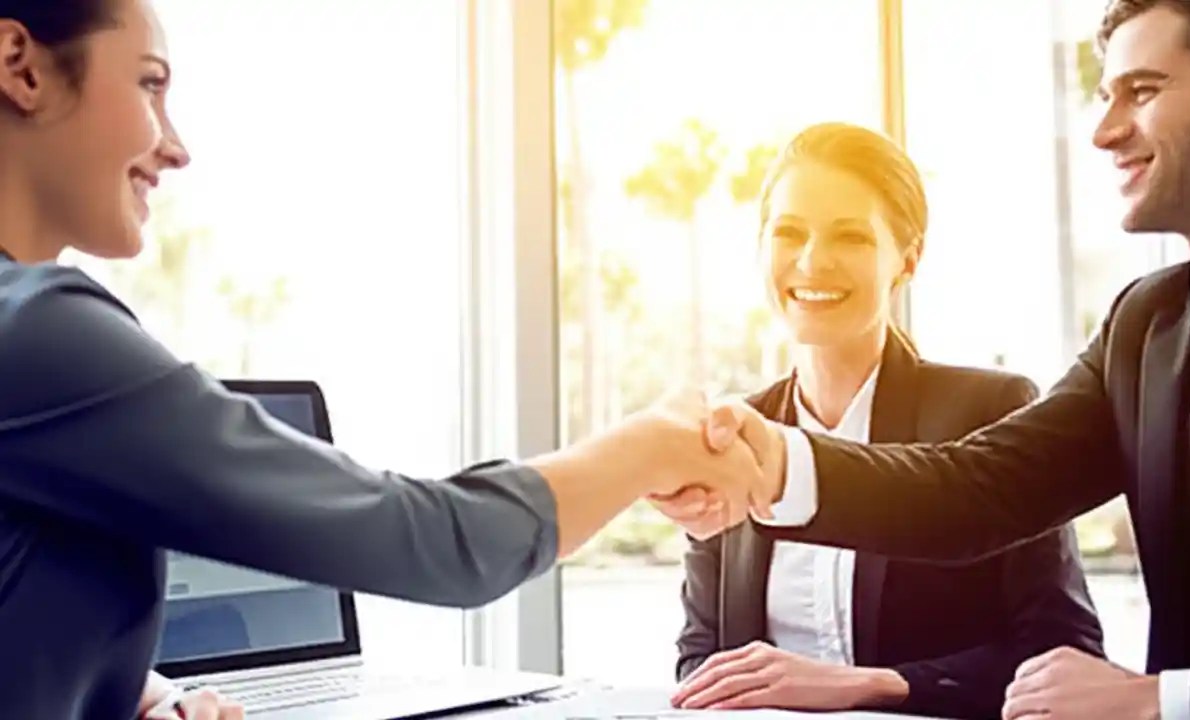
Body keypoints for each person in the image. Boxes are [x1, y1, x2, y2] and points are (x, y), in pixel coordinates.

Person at [0, 2, 772, 718]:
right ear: (20, 64)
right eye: (150, 84)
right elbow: (434, 543)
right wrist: (651, 447)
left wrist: (137, 692)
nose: (176, 145)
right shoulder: (39, 335)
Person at [666, 1, 1190, 718]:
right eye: (1105, 95)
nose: (1105, 130)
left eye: (1142, 92)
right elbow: (978, 490)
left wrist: (1162, 699)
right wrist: (770, 460)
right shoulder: (1148, 329)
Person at [660, 123, 1103, 719]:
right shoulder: (732, 434)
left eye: (851, 238)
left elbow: (1061, 655)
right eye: (789, 233)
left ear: (907, 260)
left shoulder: (986, 412)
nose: (814, 261)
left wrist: (873, 685)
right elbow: (702, 662)